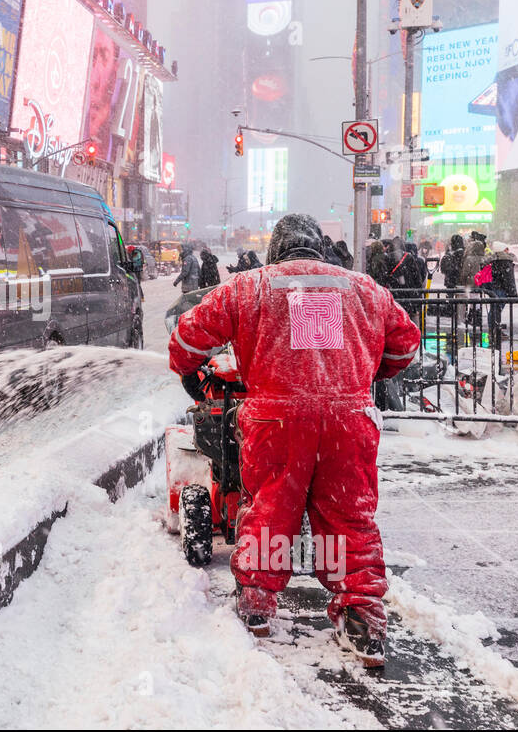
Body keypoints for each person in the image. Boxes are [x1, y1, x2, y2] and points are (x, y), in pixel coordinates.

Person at [168, 214, 421, 666]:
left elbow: (186, 340)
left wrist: (194, 368)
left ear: (275, 249)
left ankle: (258, 605)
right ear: (319, 247)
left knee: (269, 507)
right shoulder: (364, 288)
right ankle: (363, 616)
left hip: (276, 421)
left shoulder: (248, 287)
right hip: (348, 421)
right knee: (350, 516)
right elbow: (404, 346)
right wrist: (362, 375)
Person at [484, 241, 518, 344]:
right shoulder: (506, 261)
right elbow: (509, 279)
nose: (508, 251)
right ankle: (496, 330)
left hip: (493, 289)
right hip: (502, 290)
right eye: (506, 249)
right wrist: (513, 293)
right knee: (497, 310)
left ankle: (493, 330)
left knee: (494, 310)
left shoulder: (492, 260)